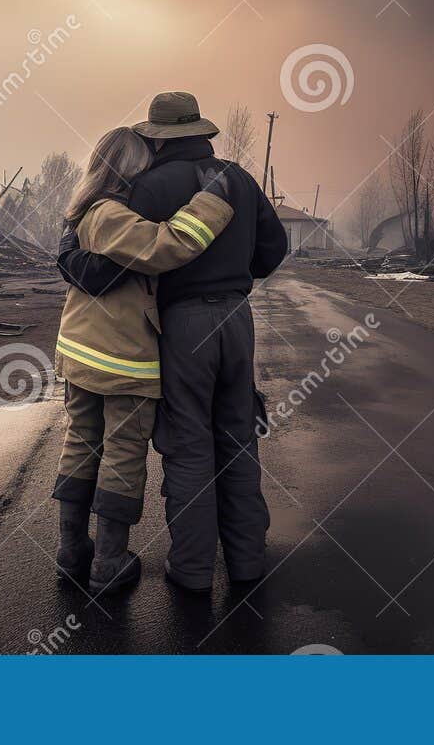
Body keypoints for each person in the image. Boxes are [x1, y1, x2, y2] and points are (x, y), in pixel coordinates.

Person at [60, 92, 288, 593]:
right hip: (237, 319)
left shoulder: (147, 186)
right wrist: (232, 270)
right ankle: (247, 563)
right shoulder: (239, 179)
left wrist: (67, 255)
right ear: (202, 131)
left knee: (188, 448)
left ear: (158, 139)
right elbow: (272, 252)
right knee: (239, 440)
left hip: (182, 326)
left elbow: (109, 257)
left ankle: (191, 571)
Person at [51, 127, 237, 596]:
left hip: (81, 353)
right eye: (146, 160)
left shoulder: (83, 213)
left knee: (81, 443)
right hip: (122, 359)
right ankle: (108, 562)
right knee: (123, 454)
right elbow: (166, 246)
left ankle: (71, 551)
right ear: (129, 167)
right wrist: (211, 201)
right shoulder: (112, 214)